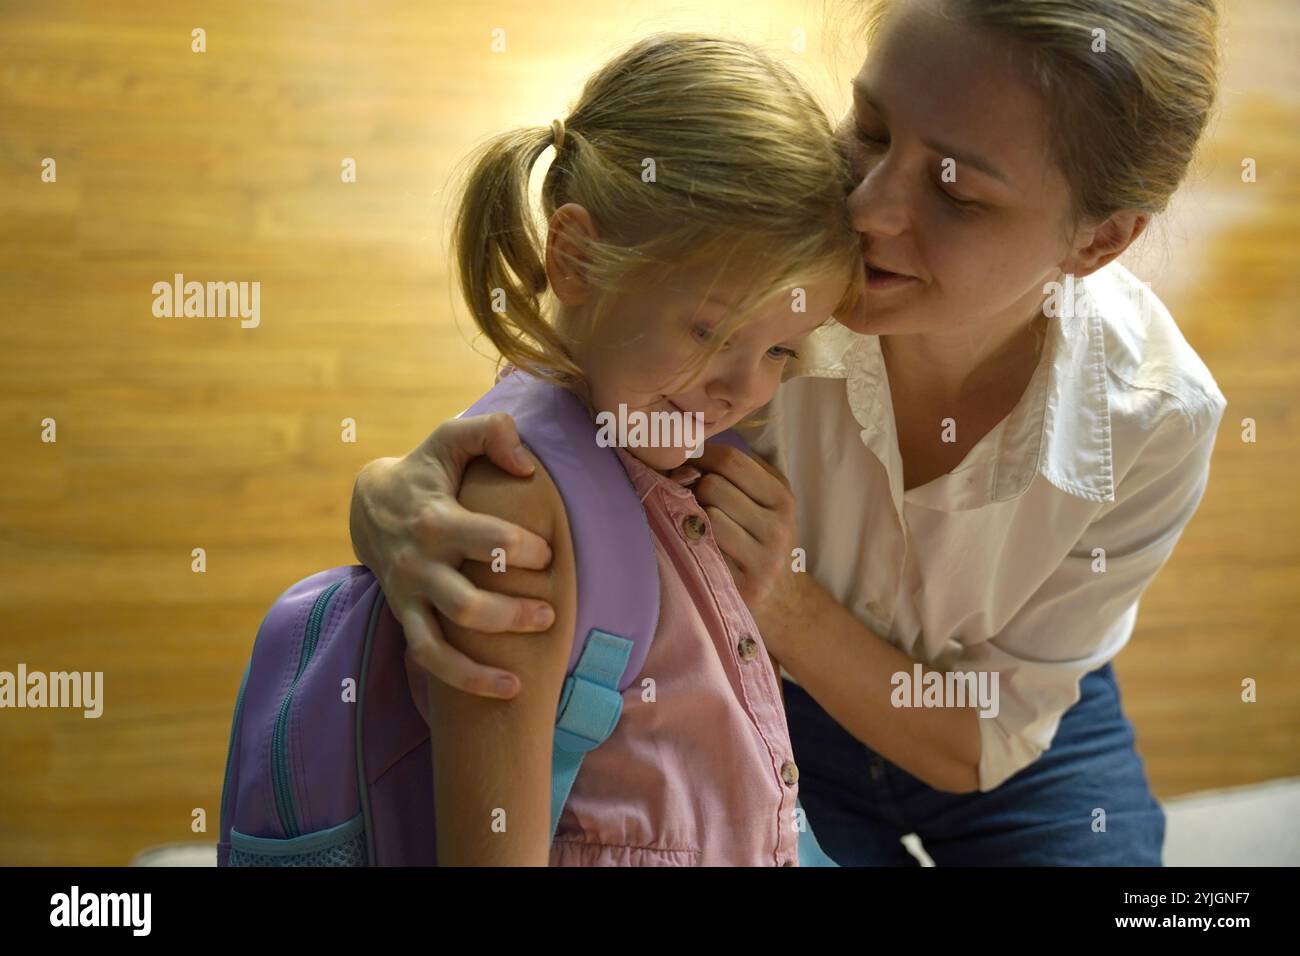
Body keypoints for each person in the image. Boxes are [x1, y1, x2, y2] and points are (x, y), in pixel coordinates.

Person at [353, 0, 1226, 865]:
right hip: (760, 688)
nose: (868, 208)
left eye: (954, 190)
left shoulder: (1157, 418)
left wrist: (785, 606)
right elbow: (566, 412)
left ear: (1101, 241)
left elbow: (981, 738)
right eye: (873, 130)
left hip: (999, 716)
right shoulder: (766, 274)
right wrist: (385, 500)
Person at [408, 31, 863, 865]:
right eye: (713, 331)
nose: (745, 390)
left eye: (780, 350)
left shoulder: (676, 445)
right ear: (576, 259)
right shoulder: (516, 505)